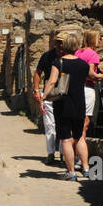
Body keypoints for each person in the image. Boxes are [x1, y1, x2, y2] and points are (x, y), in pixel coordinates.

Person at [39, 29, 97, 181]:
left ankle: (71, 172)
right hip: (79, 104)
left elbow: (52, 81)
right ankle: (86, 168)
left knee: (65, 138)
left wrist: (43, 97)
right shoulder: (83, 64)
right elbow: (93, 76)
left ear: (64, 46)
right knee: (79, 137)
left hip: (63, 104)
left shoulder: (58, 62)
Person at [33, 33, 62, 165]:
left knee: (63, 123)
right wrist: (36, 90)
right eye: (58, 42)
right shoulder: (47, 56)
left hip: (65, 93)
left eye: (62, 42)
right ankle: (51, 153)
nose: (60, 45)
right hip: (49, 93)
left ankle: (63, 152)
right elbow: (38, 72)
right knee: (50, 124)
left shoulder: (71, 56)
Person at [77, 29, 103, 146]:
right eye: (99, 37)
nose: (101, 40)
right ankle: (79, 157)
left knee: (75, 122)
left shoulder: (77, 52)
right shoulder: (93, 54)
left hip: (75, 88)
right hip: (87, 89)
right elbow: (90, 75)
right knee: (84, 124)